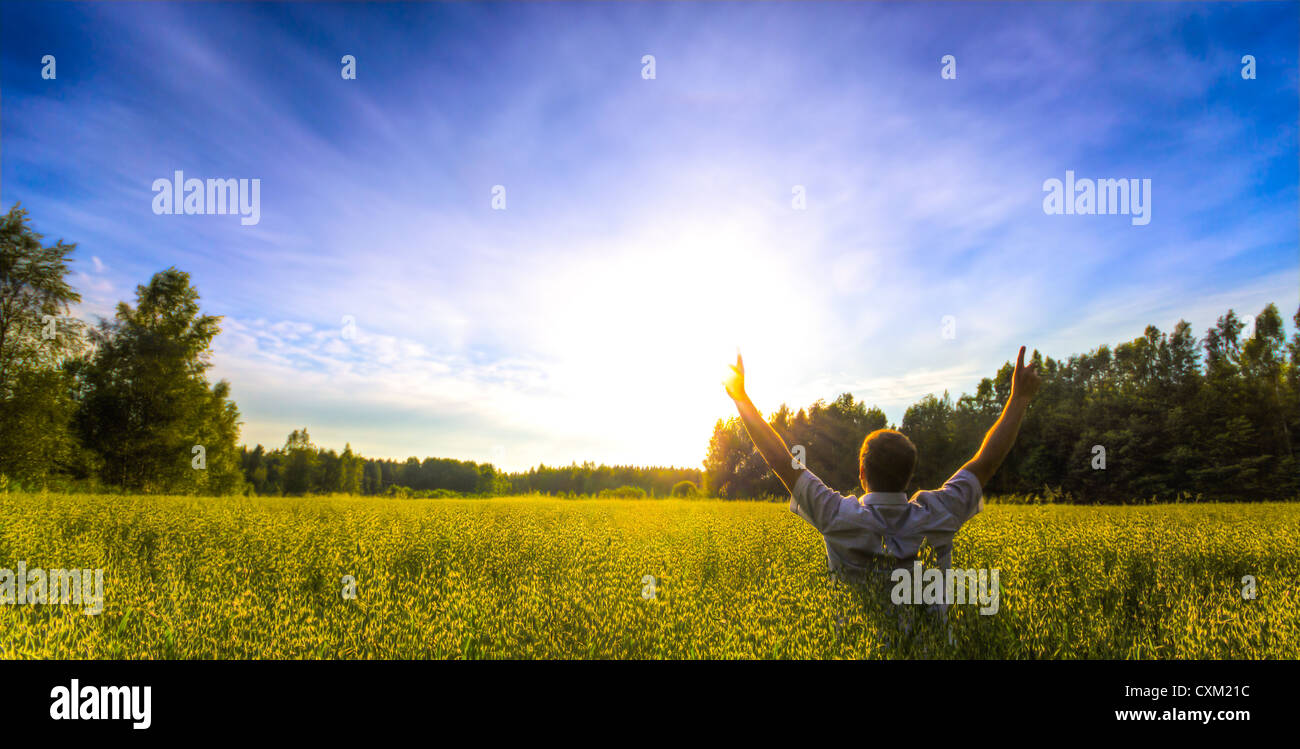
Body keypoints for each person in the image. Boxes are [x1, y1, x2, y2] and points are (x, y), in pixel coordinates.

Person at [722, 347, 1042, 603]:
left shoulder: (837, 515)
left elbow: (781, 461)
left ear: (862, 472)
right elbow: (986, 462)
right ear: (909, 475)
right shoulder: (940, 512)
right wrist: (1019, 398)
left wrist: (741, 398)